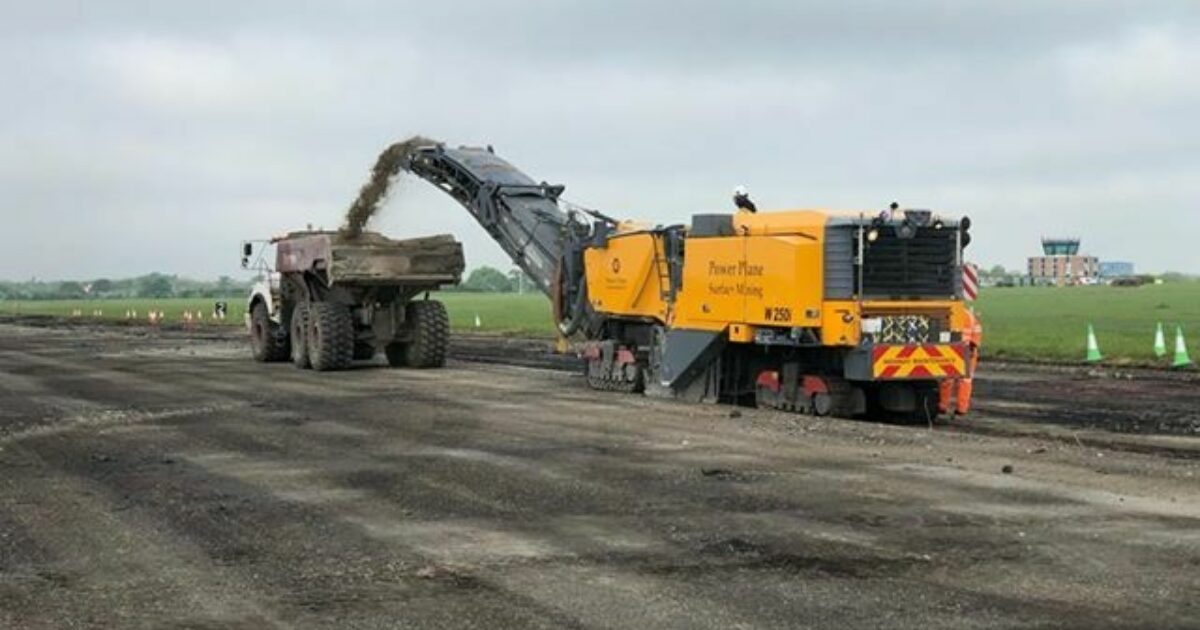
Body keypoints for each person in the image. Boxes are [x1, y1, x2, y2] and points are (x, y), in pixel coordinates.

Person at [939, 308, 982, 416]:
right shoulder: (969, 315)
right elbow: (977, 331)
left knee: (947, 379)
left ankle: (943, 406)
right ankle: (962, 408)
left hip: (952, 350)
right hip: (968, 350)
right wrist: (973, 345)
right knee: (965, 381)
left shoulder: (947, 314)